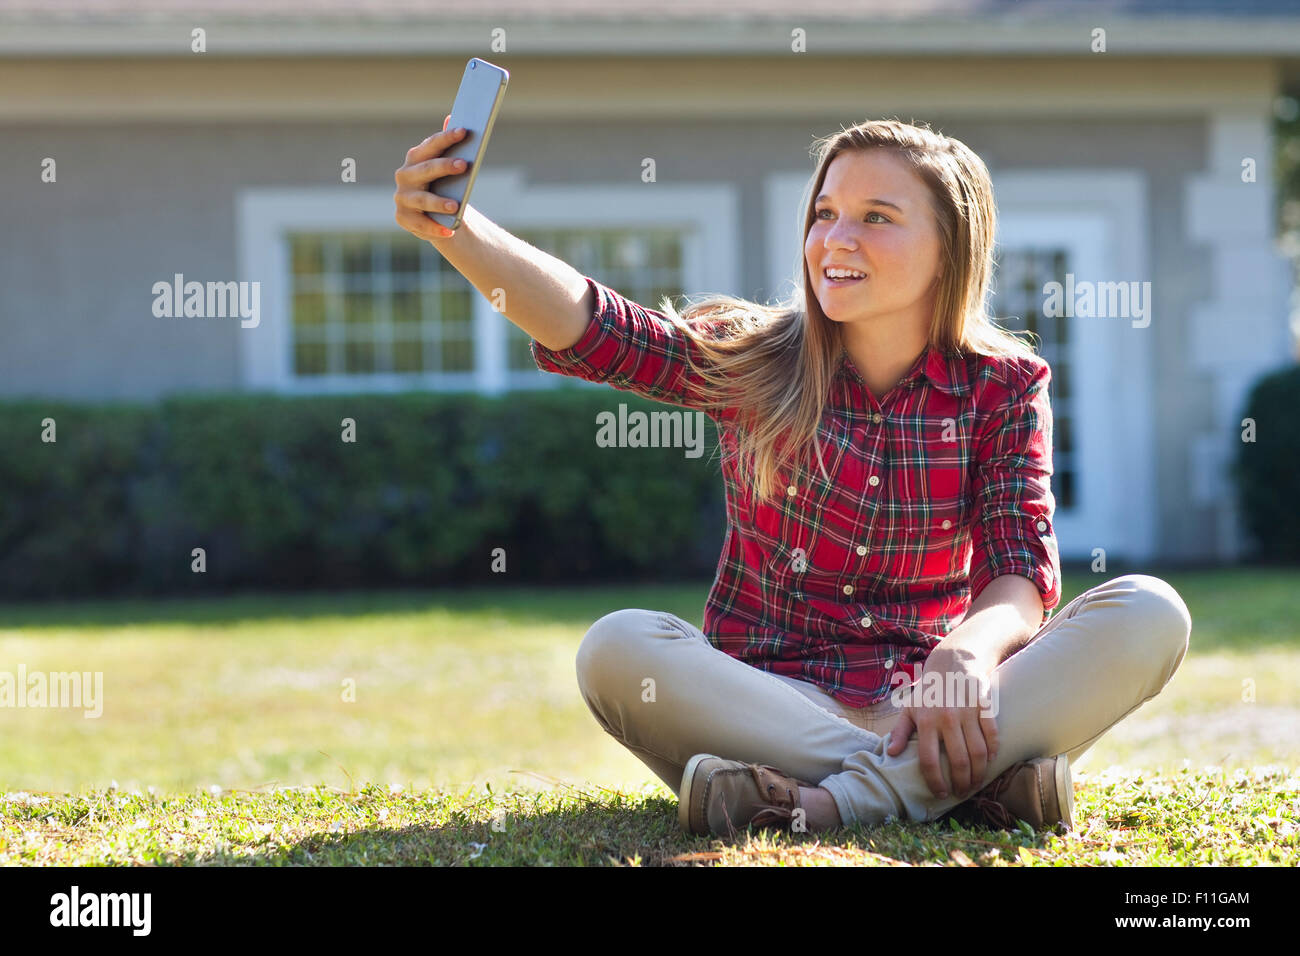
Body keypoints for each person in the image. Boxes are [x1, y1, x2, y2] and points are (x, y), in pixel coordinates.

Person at [394, 116, 1192, 839]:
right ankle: (960, 791)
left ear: (951, 247)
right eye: (824, 214)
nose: (834, 239)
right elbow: (601, 327)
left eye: (876, 217)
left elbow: (1020, 571)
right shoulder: (754, 357)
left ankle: (814, 803)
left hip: (933, 703)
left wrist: (969, 655)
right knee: (618, 648)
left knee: (1149, 611)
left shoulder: (1004, 384)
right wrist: (457, 229)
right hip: (775, 709)